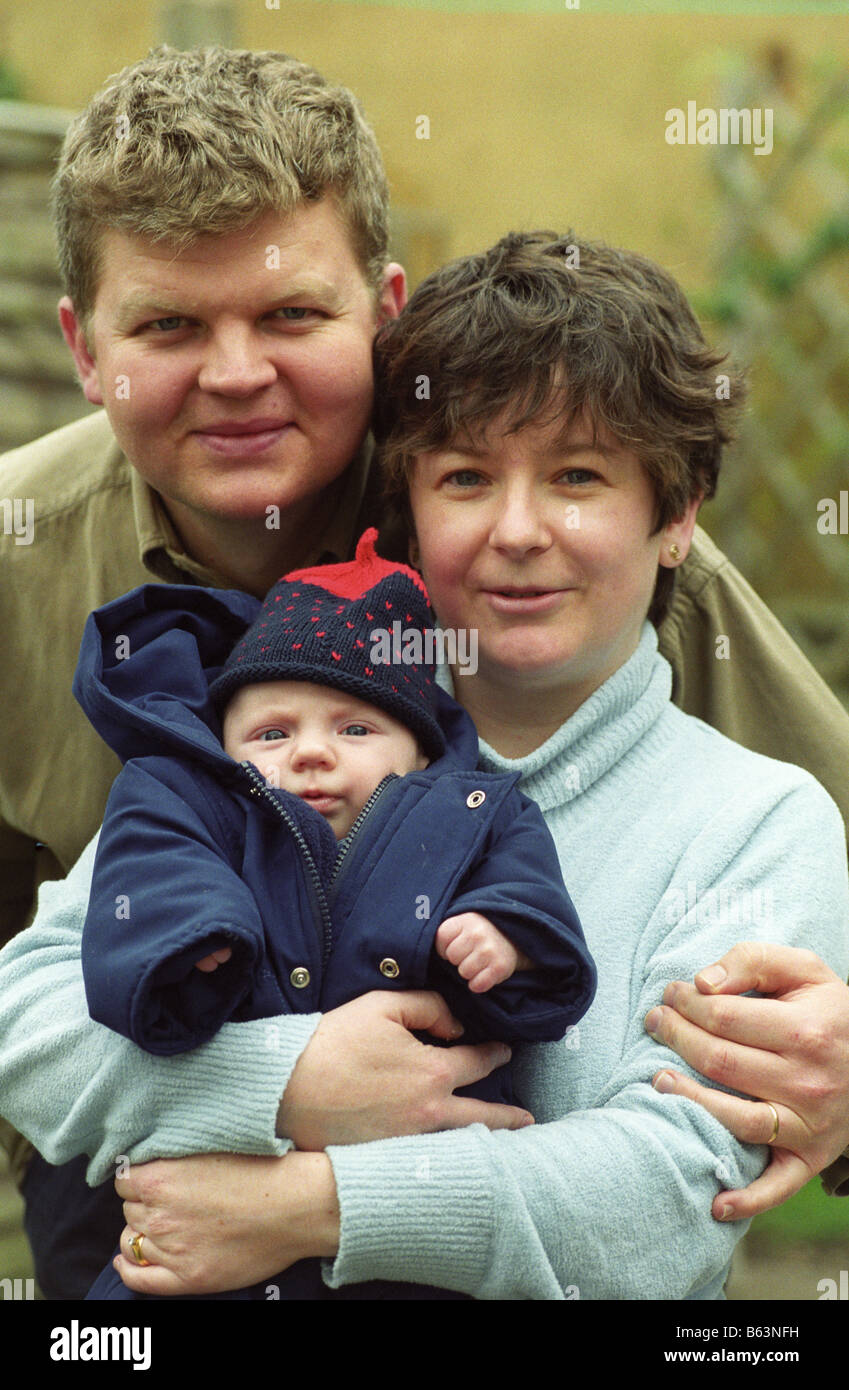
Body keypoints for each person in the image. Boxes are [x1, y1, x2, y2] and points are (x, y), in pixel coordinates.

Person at [1, 44, 848, 1297]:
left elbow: (792, 862)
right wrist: (276, 1090)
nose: (237, 375)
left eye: (291, 313)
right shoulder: (22, 561)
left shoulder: (554, 579)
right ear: (83, 344)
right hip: (136, 1207)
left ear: (384, 312)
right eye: (170, 325)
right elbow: (31, 1007)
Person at [75, 529, 594, 1298]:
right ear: (223, 745)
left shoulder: (474, 811)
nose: (311, 753)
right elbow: (154, 872)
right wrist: (191, 941)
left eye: (354, 729)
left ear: (420, 752)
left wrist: (505, 937)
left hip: (414, 1215)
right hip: (220, 1194)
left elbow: (529, 898)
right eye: (272, 733)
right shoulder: (197, 805)